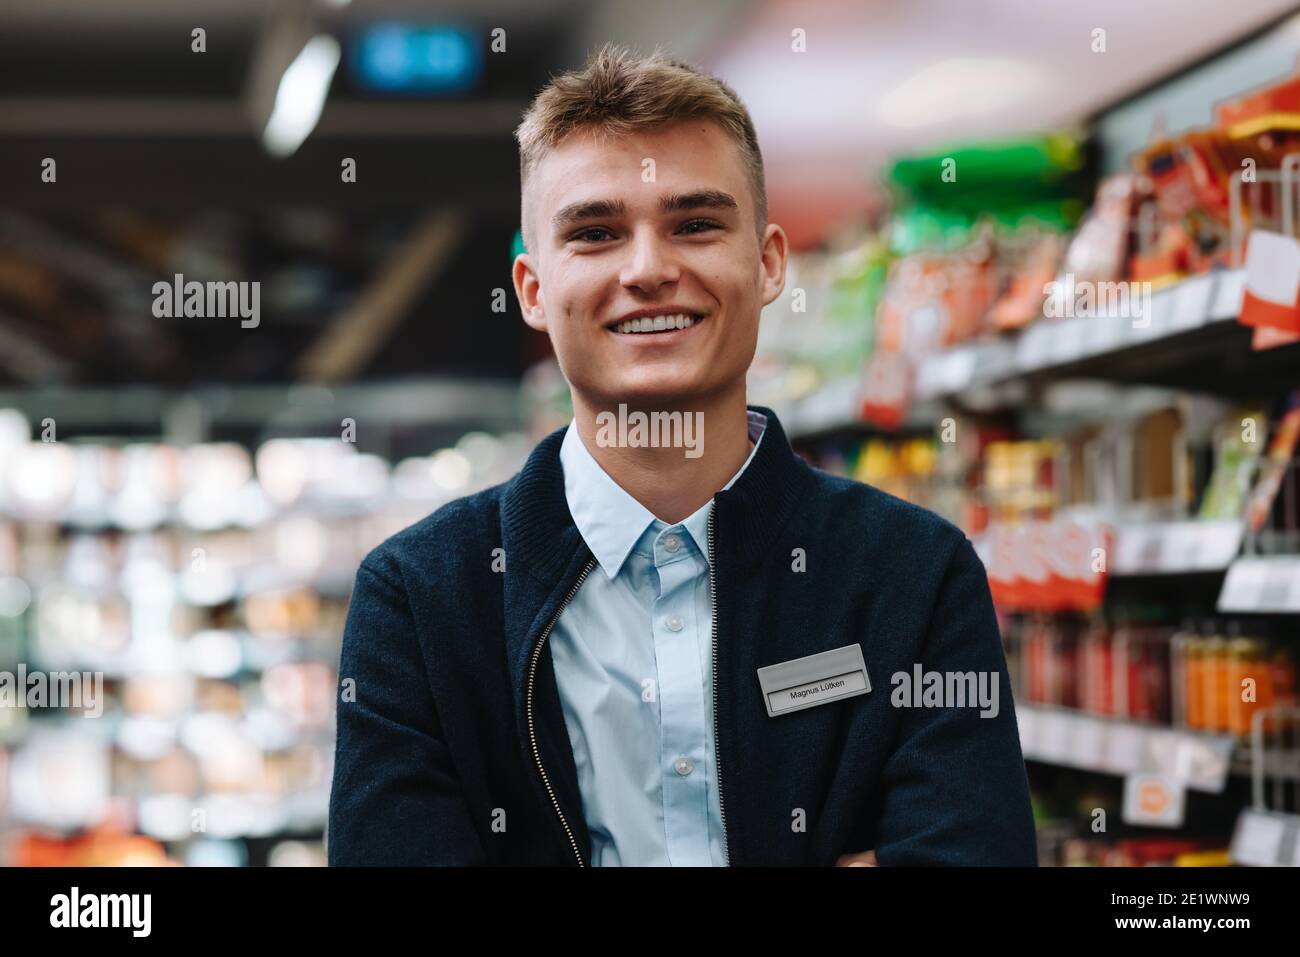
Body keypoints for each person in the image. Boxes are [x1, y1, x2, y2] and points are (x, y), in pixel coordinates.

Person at [328, 44, 1037, 866]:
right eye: (595, 233)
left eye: (695, 225)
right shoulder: (419, 602)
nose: (649, 269)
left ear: (768, 263)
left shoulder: (915, 574)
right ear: (531, 289)